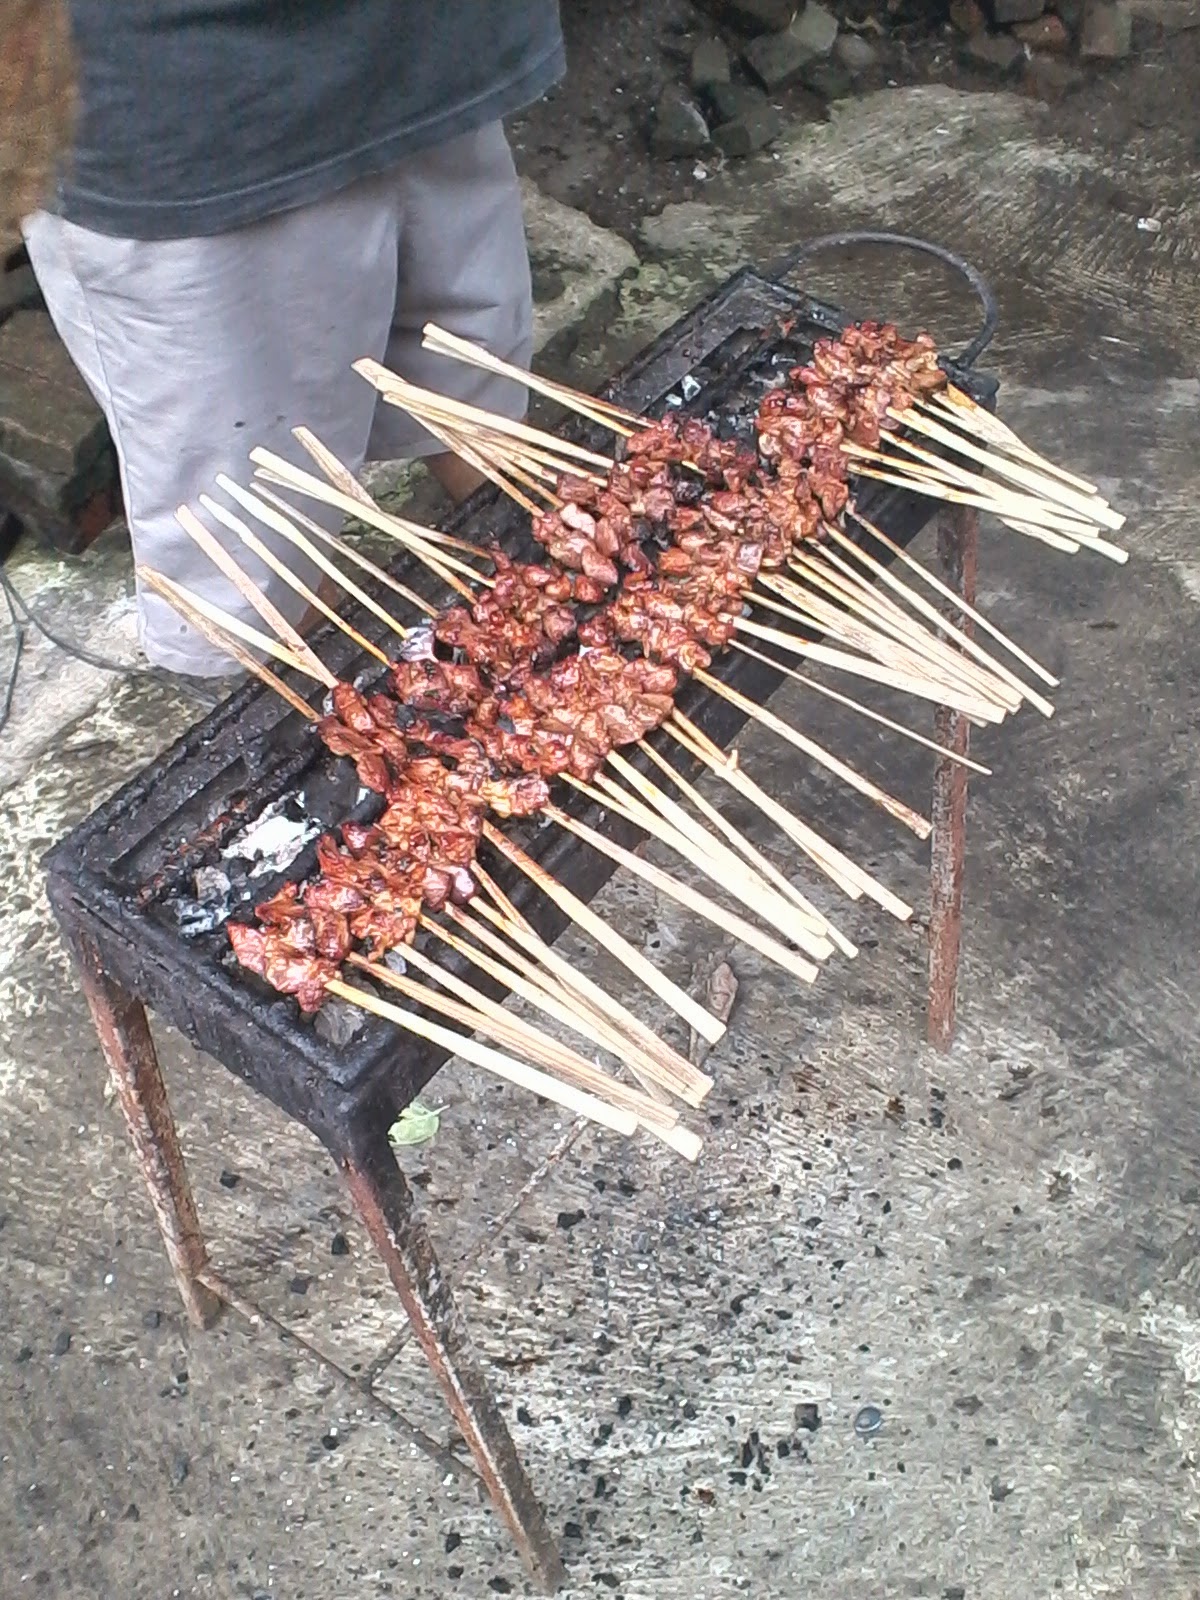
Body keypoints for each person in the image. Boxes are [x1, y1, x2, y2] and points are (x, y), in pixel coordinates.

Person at [21, 1, 565, 677]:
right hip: (183, 100)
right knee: (262, 547)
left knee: (470, 377)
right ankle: (352, 705)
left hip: (428, 45)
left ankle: (566, 605)